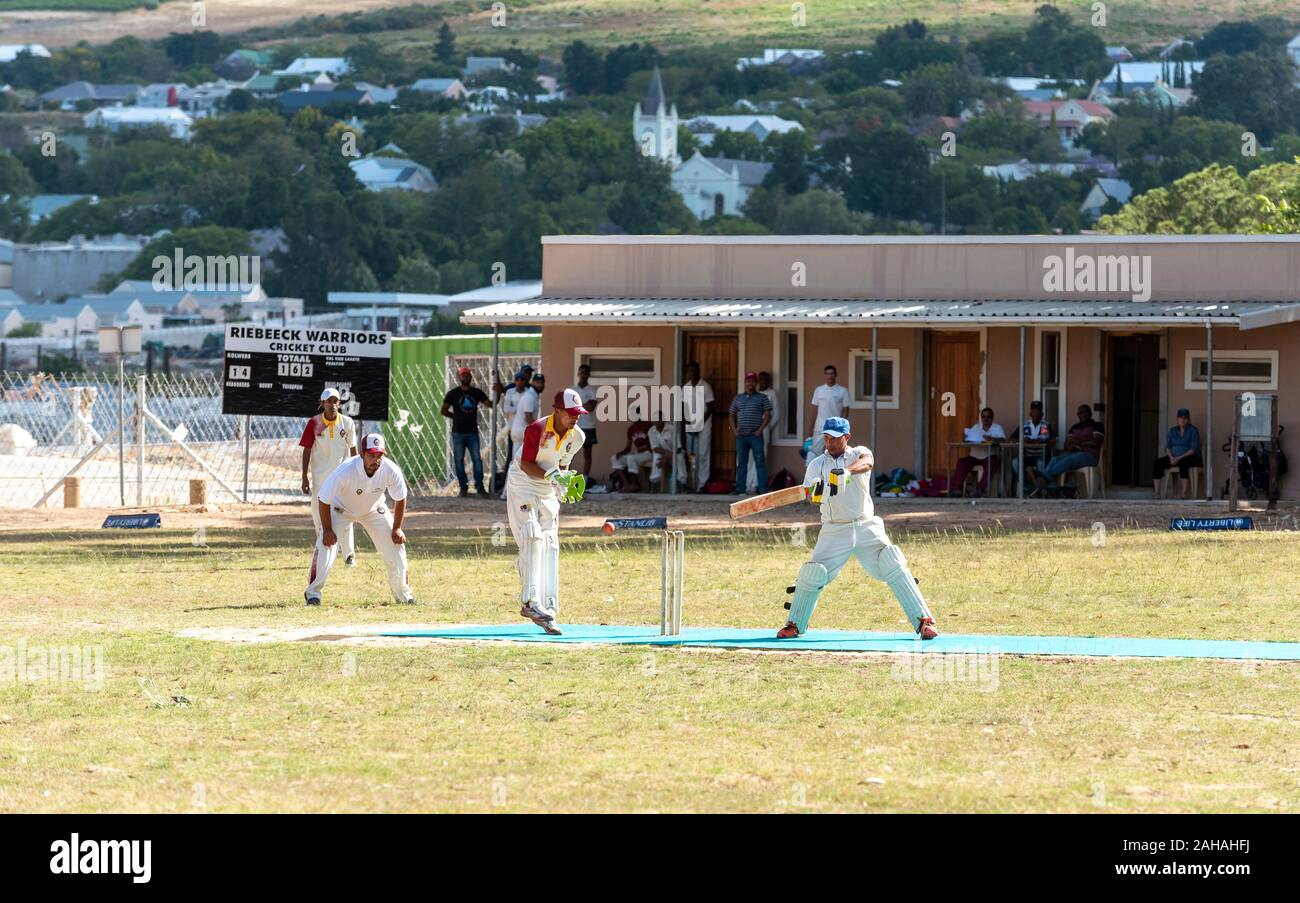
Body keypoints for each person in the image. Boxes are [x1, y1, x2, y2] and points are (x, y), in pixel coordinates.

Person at [776, 417, 938, 640]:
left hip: (866, 525)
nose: (830, 442)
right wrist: (818, 491)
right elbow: (812, 498)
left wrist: (846, 472)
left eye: (835, 438)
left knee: (892, 562)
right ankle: (794, 625)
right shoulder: (816, 464)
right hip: (834, 529)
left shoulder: (858, 453)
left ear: (847, 437)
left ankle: (923, 621)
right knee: (812, 573)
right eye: (826, 437)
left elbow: (867, 462)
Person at [506, 389, 589, 635]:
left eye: (579, 414)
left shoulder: (578, 437)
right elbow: (526, 463)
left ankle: (549, 604)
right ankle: (531, 603)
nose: (576, 418)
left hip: (547, 486)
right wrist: (551, 476)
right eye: (571, 414)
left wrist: (561, 483)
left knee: (550, 540)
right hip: (523, 483)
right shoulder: (537, 429)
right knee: (532, 536)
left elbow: (563, 464)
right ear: (557, 411)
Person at [305, 433, 414, 606]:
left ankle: (404, 595)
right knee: (326, 545)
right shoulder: (346, 470)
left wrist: (397, 528)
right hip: (341, 509)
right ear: (362, 454)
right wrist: (326, 530)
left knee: (396, 544)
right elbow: (324, 498)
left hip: (373, 509)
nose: (375, 460)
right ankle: (313, 594)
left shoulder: (390, 470)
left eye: (379, 455)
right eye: (371, 455)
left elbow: (401, 498)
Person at [299, 387, 358, 568]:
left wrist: (357, 473)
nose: (332, 405)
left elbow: (353, 449)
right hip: (321, 478)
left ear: (339, 403)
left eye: (336, 401)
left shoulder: (347, 423)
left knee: (345, 512)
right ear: (322, 403)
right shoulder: (314, 423)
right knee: (318, 513)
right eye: (329, 401)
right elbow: (307, 450)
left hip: (343, 477)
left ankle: (349, 554)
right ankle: (321, 548)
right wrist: (304, 477)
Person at [441, 366, 492, 497]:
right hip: (458, 432)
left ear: (471, 377)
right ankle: (463, 488)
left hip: (472, 432)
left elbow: (490, 404)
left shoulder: (476, 392)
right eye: (463, 375)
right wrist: (455, 416)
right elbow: (443, 410)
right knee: (458, 460)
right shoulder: (453, 393)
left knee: (477, 459)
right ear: (459, 377)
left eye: (467, 375)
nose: (465, 377)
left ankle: (480, 487)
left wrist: (498, 391)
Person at [1034, 404, 1105, 494]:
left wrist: (1079, 442)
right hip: (1074, 453)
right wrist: (1069, 446)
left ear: (1090, 413)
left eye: (1085, 412)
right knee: (1055, 459)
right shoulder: (1074, 427)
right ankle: (1052, 487)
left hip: (1090, 456)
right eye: (1080, 413)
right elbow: (1066, 445)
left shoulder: (1097, 425)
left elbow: (1096, 442)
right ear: (1077, 415)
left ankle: (1045, 477)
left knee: (1070, 460)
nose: (1083, 414)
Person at [730, 371, 772, 495]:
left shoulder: (762, 397)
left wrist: (760, 430)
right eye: (748, 381)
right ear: (745, 383)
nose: (750, 383)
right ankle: (740, 489)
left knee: (760, 463)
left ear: (756, 383)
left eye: (753, 381)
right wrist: (734, 429)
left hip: (755, 436)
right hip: (741, 436)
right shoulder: (738, 398)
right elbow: (731, 413)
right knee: (741, 463)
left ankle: (763, 489)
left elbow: (768, 415)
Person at [951, 407, 1006, 496]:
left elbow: (1003, 440)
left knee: (993, 462)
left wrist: (992, 438)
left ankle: (980, 489)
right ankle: (957, 489)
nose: (986, 419)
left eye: (988, 417)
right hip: (975, 456)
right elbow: (968, 440)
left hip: (989, 456)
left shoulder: (997, 427)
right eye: (983, 417)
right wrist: (965, 438)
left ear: (992, 418)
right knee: (961, 462)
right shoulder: (976, 427)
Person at [1153, 407, 1203, 498]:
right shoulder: (1173, 430)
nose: (1182, 420)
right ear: (1177, 419)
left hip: (1191, 457)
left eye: (1185, 418)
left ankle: (1183, 493)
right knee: (1157, 463)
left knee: (1183, 463)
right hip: (1174, 457)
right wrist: (1171, 457)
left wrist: (1179, 457)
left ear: (1188, 419)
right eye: (1180, 418)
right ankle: (1156, 493)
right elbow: (1168, 447)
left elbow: (1193, 449)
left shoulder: (1193, 430)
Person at [681, 361, 714, 490]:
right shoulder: (685, 387)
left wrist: (699, 423)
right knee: (692, 455)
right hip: (690, 424)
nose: (692, 373)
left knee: (703, 454)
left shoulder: (706, 386)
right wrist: (687, 422)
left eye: (694, 370)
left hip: (704, 424)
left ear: (699, 371)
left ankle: (702, 483)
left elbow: (710, 407)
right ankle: (692, 482)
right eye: (690, 371)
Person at [746, 371, 780, 492]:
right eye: (760, 379)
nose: (762, 382)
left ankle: (755, 485)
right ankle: (747, 484)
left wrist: (767, 427)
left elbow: (776, 414)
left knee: (760, 457)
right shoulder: (753, 394)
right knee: (749, 457)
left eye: (765, 379)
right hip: (750, 429)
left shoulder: (771, 394)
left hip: (763, 429)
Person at [807, 364, 850, 457]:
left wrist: (841, 427)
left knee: (833, 454)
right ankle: (814, 471)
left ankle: (831, 472)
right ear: (825, 375)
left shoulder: (842, 391)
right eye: (827, 374)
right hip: (819, 427)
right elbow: (814, 410)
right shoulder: (818, 390)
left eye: (832, 373)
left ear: (835, 375)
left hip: (835, 429)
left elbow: (846, 410)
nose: (830, 376)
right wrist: (810, 429)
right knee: (815, 453)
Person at [1011, 400, 1053, 490]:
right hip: (1026, 456)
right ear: (1030, 413)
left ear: (1042, 414)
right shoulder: (1024, 425)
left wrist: (1041, 441)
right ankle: (1026, 487)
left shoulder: (1045, 425)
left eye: (1038, 412)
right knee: (1015, 463)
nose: (1035, 414)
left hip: (1041, 456)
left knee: (1041, 463)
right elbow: (1011, 438)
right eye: (1033, 411)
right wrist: (1022, 440)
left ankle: (1040, 489)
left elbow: (1051, 440)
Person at [572, 364, 599, 479]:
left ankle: (585, 479)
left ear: (588, 375)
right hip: (574, 426)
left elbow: (591, 407)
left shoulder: (592, 390)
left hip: (588, 426)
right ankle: (567, 478)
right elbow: (569, 408)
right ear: (578, 374)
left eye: (585, 373)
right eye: (581, 372)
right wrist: (584, 405)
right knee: (570, 453)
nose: (583, 375)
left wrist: (577, 406)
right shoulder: (572, 390)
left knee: (587, 453)